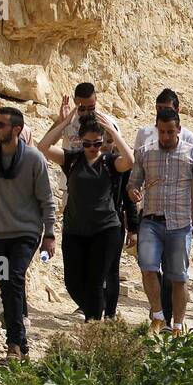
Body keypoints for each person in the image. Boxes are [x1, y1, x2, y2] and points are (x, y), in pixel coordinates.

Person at [0, 106, 56, 361]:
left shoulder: (33, 158)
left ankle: (14, 346)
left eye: (1, 125)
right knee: (6, 284)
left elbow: (47, 199)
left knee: (14, 278)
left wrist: (49, 234)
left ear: (16, 129)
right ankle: (22, 344)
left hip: (25, 233)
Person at [39, 110, 135, 321]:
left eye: (97, 143)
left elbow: (130, 160)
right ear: (80, 141)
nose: (92, 148)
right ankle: (95, 314)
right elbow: (42, 147)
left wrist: (111, 130)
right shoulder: (72, 160)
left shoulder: (110, 162)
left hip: (105, 230)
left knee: (95, 280)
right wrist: (63, 123)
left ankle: (94, 323)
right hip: (75, 229)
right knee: (72, 282)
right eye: (87, 143)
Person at [129, 107, 193, 334]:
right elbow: (133, 182)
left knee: (178, 277)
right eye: (162, 132)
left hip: (179, 225)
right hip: (151, 220)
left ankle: (177, 325)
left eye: (170, 132)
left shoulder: (192, 153)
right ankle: (157, 315)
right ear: (157, 129)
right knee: (147, 267)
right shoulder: (145, 152)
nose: (166, 137)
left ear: (178, 129)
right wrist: (133, 191)